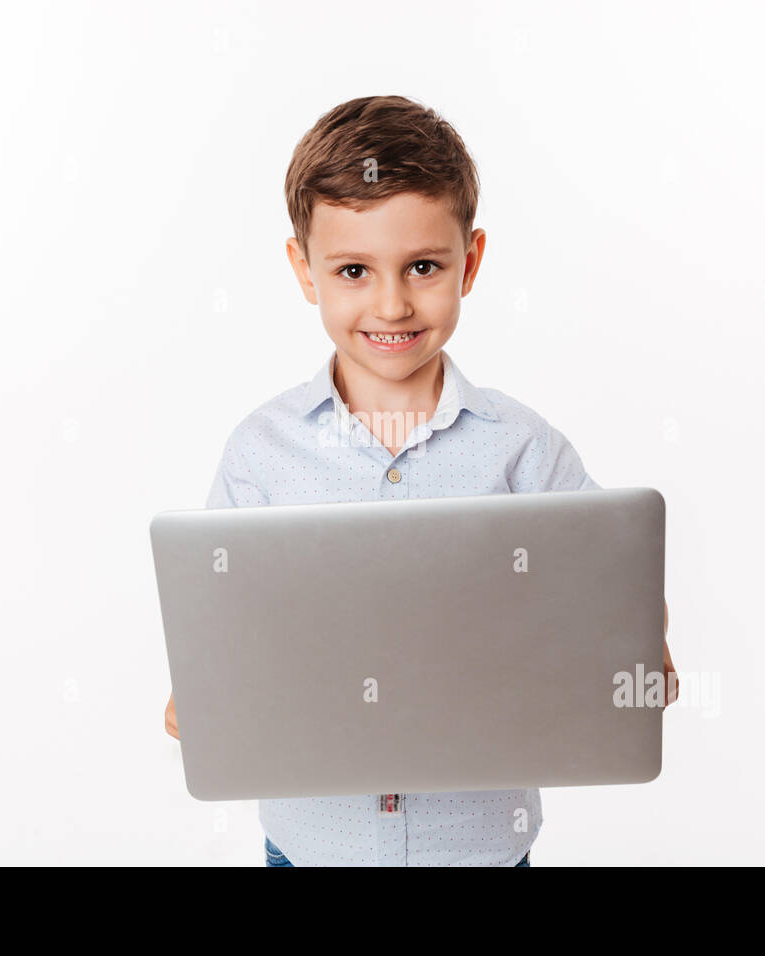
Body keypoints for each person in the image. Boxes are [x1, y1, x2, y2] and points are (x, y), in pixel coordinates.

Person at [164, 94, 678, 866]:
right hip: (312, 850)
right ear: (304, 271)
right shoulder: (260, 452)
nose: (392, 303)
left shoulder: (522, 447)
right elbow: (218, 631)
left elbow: (615, 590)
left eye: (424, 266)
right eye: (352, 271)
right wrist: (203, 698)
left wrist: (641, 659)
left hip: (478, 850)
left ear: (469, 263)